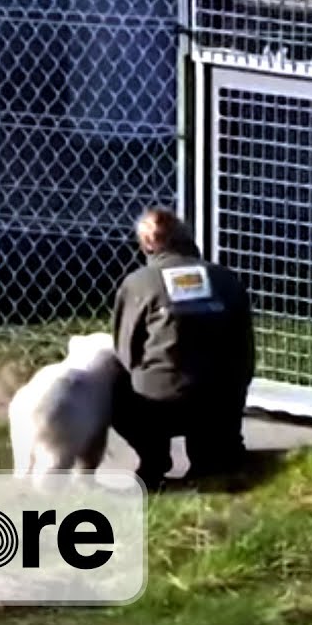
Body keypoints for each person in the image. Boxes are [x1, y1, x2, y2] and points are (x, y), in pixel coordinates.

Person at [109, 207, 256, 490]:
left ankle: (153, 458)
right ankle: (211, 456)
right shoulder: (225, 279)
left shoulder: (139, 283)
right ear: (186, 236)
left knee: (112, 381)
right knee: (218, 378)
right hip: (220, 402)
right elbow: (245, 348)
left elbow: (125, 350)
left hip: (160, 403)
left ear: (147, 244)